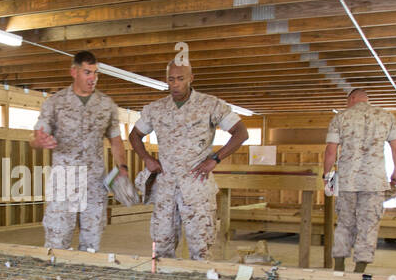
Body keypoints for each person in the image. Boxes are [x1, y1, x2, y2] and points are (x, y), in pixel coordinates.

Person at [128, 61, 248, 261]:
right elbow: (134, 136)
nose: (175, 84)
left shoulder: (210, 105)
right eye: (171, 79)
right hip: (166, 188)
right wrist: (147, 158)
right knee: (161, 247)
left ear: (191, 78)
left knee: (201, 248)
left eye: (180, 79)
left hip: (196, 187)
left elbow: (241, 133)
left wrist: (215, 159)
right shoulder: (156, 109)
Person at [31, 51, 129, 251]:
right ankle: (55, 279)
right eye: (87, 72)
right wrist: (39, 142)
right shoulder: (55, 103)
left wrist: (123, 166)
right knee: (57, 239)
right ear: (74, 72)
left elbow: (116, 140)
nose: (92, 78)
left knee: (92, 241)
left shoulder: (106, 105)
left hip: (94, 183)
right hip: (63, 182)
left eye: (95, 73)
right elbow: (35, 139)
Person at [324, 88, 396, 274]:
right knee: (368, 224)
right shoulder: (387, 117)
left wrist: (327, 178)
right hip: (374, 182)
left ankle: (339, 268)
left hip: (346, 181)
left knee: (344, 223)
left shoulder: (340, 118)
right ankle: (359, 270)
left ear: (351, 99)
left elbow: (330, 152)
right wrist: (395, 173)